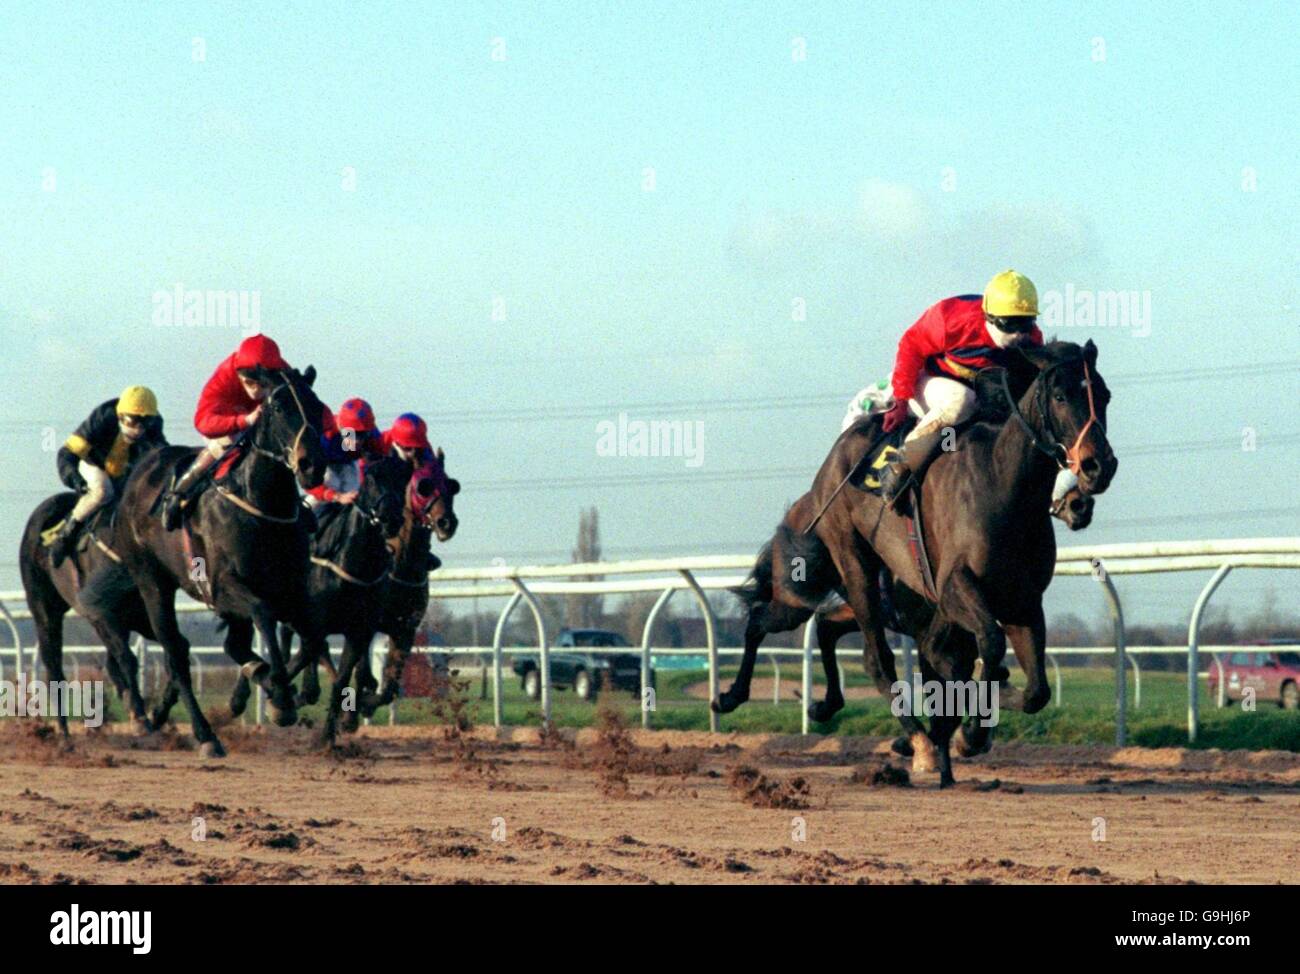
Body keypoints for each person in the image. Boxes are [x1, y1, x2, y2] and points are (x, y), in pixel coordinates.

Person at [876, 270, 1044, 506]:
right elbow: (910, 345)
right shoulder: (952, 319)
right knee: (961, 400)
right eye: (1010, 324)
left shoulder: (1032, 340)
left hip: (979, 394)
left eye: (1026, 323)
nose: (1019, 334)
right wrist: (901, 399)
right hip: (929, 381)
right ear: (990, 317)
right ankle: (901, 463)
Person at [160, 334, 321, 530]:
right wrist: (243, 420)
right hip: (229, 424)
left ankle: (296, 504)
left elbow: (316, 411)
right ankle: (180, 493)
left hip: (264, 426)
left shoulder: (282, 372)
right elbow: (202, 422)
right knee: (222, 445)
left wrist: (340, 441)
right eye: (250, 383)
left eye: (262, 384)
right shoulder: (224, 376)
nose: (256, 391)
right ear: (238, 373)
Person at [43, 386, 167, 566]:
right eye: (132, 422)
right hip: (91, 463)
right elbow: (67, 453)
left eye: (144, 423)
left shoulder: (154, 423)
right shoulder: (103, 417)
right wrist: (77, 482)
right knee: (102, 491)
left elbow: (161, 456)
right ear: (120, 416)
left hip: (124, 470)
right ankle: (65, 535)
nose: (138, 430)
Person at [306, 397, 385, 508]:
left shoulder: (373, 435)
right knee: (331, 482)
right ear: (341, 428)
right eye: (352, 434)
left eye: (362, 434)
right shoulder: (324, 437)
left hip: (349, 463)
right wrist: (336, 496)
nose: (358, 441)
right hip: (324, 465)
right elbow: (309, 482)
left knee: (353, 489)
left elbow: (381, 467)